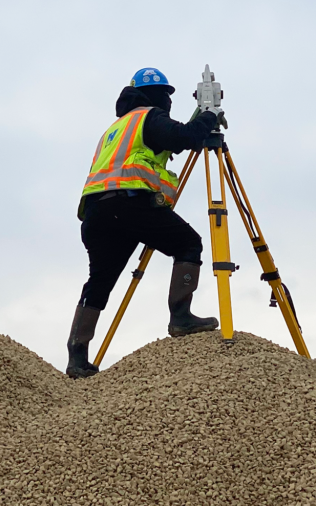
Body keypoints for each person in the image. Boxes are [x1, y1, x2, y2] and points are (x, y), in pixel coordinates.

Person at [66, 67, 224, 379]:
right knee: (188, 243)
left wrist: (195, 122)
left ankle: (77, 358)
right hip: (129, 204)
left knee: (99, 282)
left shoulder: (115, 129)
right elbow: (184, 138)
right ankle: (181, 318)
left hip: (97, 211)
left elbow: (168, 138)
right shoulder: (148, 117)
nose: (167, 101)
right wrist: (209, 117)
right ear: (158, 96)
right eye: (166, 95)